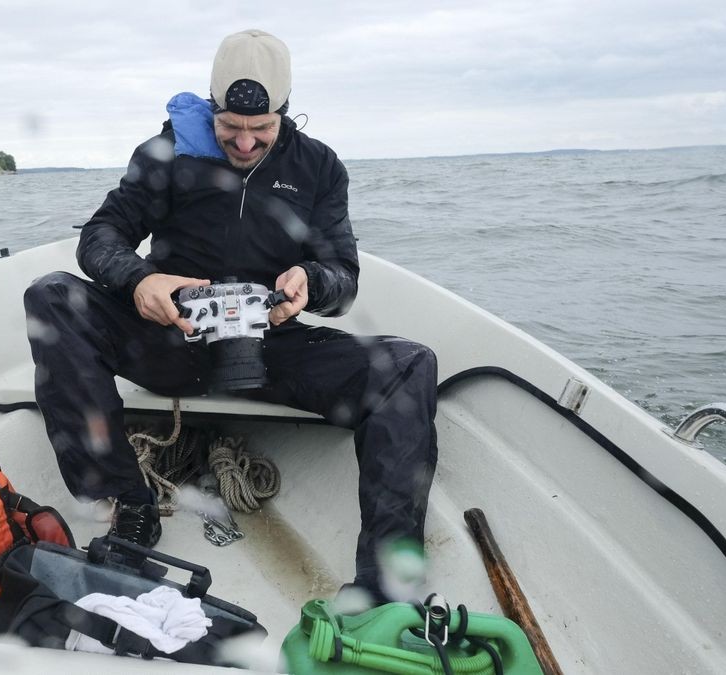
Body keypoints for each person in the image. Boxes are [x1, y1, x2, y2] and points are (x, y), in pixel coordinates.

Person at [24, 29, 438, 604]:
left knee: (408, 365)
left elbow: (342, 278)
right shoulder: (167, 154)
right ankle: (130, 505)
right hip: (169, 340)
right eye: (230, 129)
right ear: (213, 108)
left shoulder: (319, 168)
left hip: (269, 350)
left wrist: (311, 282)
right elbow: (101, 236)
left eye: (261, 129)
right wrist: (140, 279)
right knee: (51, 296)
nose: (244, 143)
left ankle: (387, 587)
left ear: (285, 113)